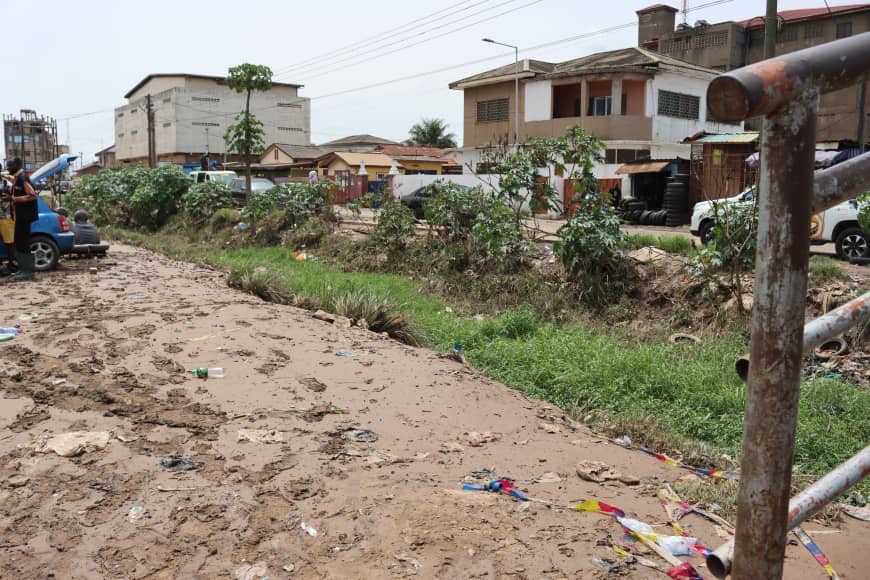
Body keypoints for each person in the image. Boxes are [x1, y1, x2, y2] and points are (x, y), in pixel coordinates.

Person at [7, 157, 38, 280]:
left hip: (25, 216)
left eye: (10, 166)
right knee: (19, 243)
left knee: (23, 243)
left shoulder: (23, 178)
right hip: (20, 216)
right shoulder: (17, 178)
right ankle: (22, 269)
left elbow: (32, 195)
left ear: (17, 166)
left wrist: (15, 199)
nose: (8, 169)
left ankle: (28, 272)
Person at [0, 163, 16, 276]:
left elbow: (17, 198)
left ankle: (11, 266)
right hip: (5, 217)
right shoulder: (7, 183)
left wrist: (10, 198)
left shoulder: (8, 184)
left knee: (10, 243)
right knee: (8, 243)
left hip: (6, 217)